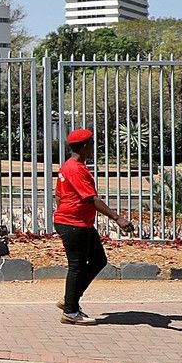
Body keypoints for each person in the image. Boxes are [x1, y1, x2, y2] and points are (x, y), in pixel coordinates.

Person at [53, 127, 135, 326]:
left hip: (78, 222)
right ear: (83, 147)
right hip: (73, 224)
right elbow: (91, 198)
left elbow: (59, 196)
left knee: (98, 260)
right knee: (77, 266)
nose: (93, 147)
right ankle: (70, 311)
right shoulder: (76, 169)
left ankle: (70, 300)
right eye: (91, 144)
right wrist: (117, 218)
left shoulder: (70, 166)